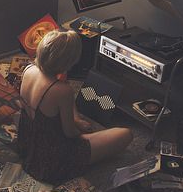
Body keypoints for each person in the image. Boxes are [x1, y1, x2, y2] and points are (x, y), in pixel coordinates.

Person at [18, 30, 132, 184]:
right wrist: (82, 132)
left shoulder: (28, 70)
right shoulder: (62, 90)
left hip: (29, 144)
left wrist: (76, 120)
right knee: (125, 134)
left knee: (67, 100)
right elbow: (70, 133)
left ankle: (85, 131)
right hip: (52, 159)